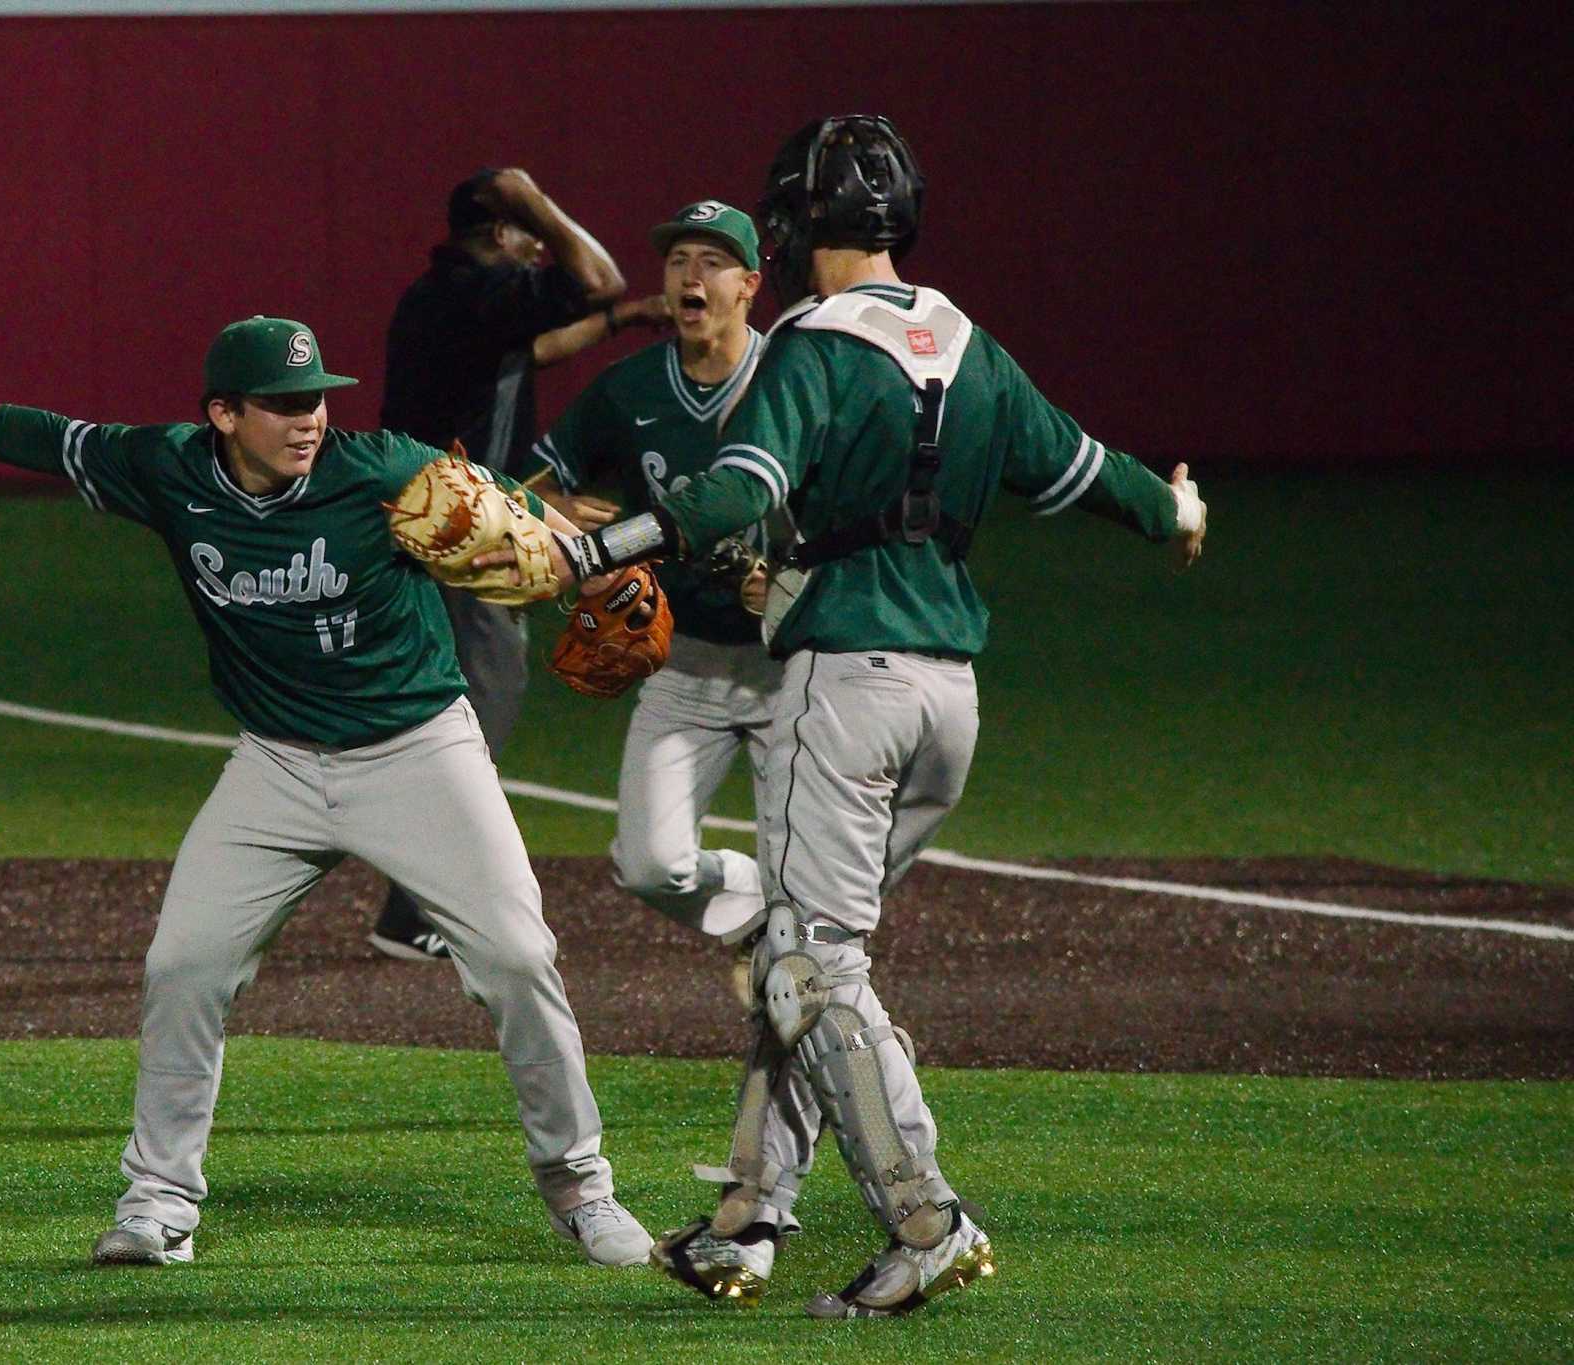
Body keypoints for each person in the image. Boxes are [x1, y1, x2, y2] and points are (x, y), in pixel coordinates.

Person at [509, 116, 1209, 1316]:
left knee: (810, 970)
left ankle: (925, 1219)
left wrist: (594, 546)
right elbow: (1090, 472)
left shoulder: (811, 344)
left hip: (844, 686)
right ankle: (746, 1221)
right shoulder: (967, 342)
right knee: (801, 953)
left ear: (790, 223)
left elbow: (734, 494)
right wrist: (1177, 511)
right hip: (948, 702)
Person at [0, 315, 653, 1272]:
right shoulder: (169, 468)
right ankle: (158, 1202)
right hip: (275, 765)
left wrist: (596, 554)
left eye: (315, 398)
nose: (308, 418)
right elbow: (42, 435)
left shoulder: (382, 469)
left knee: (519, 956)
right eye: (283, 403)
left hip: (418, 750)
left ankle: (581, 1188)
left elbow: (513, 505)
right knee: (184, 965)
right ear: (223, 414)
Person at [368, 167, 670, 962]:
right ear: (499, 231)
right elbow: (599, 277)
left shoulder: (445, 298)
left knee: (444, 713)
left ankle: (414, 895)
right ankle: (412, 906)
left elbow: (533, 348)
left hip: (432, 523)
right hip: (461, 535)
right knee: (475, 715)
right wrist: (532, 197)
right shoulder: (478, 293)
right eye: (524, 233)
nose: (538, 246)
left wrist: (623, 322)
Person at [526, 199, 777, 942]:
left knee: (816, 873)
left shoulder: (793, 381)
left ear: (750, 285)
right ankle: (751, 892)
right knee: (648, 865)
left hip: (794, 668)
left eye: (711, 262)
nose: (689, 277)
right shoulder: (629, 389)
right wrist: (553, 509)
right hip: (684, 663)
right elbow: (529, 489)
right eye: (677, 261)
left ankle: (800, 974)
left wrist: (794, 577)